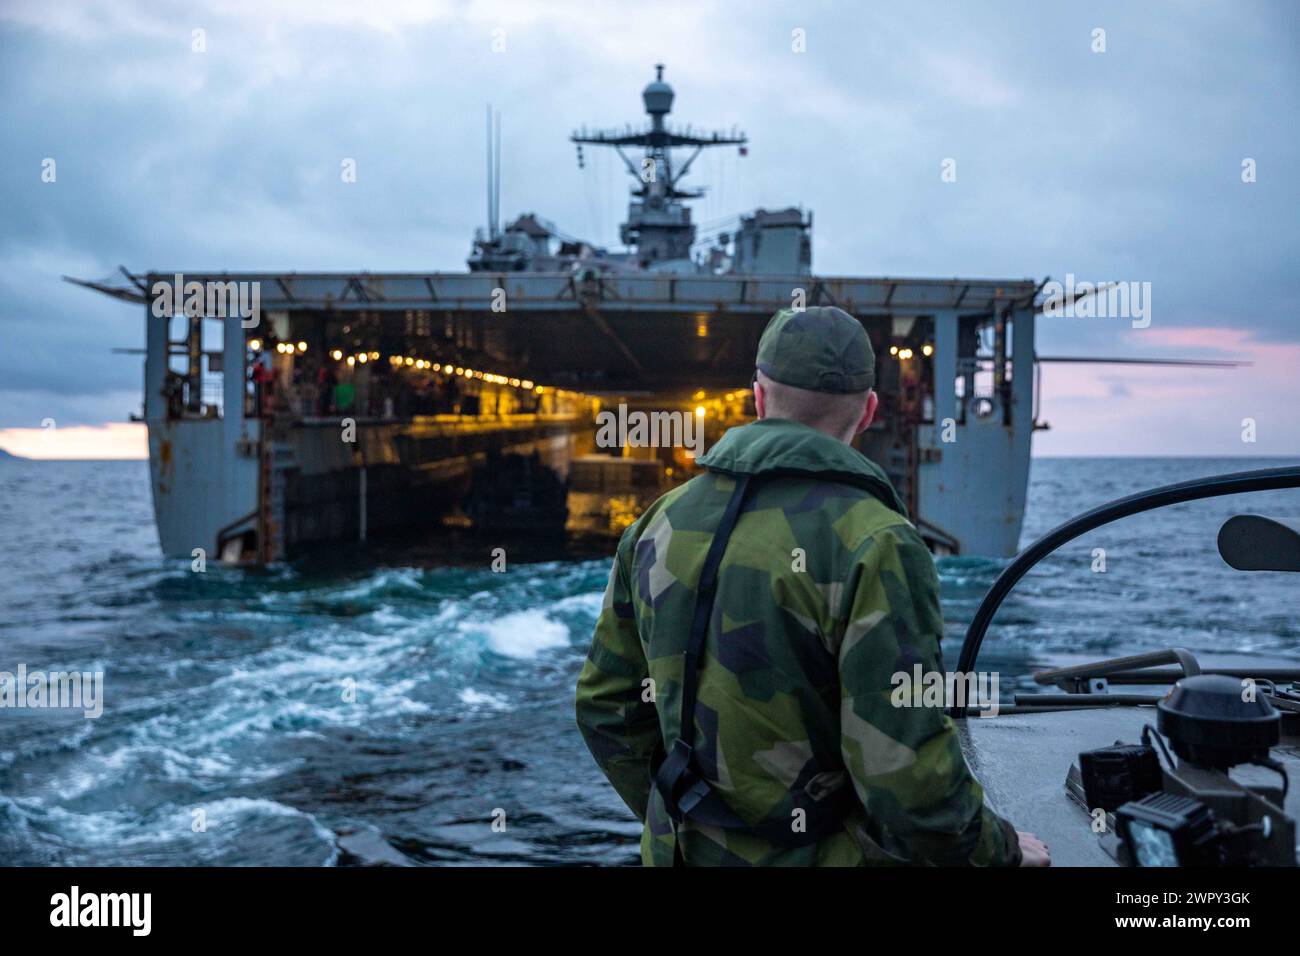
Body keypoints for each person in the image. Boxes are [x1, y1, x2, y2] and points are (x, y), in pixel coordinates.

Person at [575, 306, 1050, 867]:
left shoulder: (657, 522)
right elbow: (903, 770)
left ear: (758, 397)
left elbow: (605, 707)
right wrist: (1000, 851)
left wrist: (679, 817)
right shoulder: (878, 542)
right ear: (869, 411)